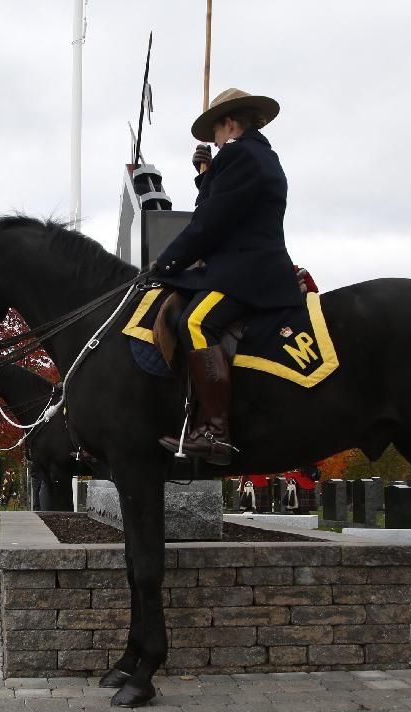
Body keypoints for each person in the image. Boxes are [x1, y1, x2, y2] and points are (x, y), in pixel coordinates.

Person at [153, 88, 303, 464]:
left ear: (231, 124)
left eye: (216, 133)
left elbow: (209, 222)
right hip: (247, 266)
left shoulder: (240, 155)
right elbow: (222, 203)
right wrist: (205, 174)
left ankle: (215, 431)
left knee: (196, 322)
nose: (216, 142)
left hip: (246, 271)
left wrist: (164, 265)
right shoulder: (258, 156)